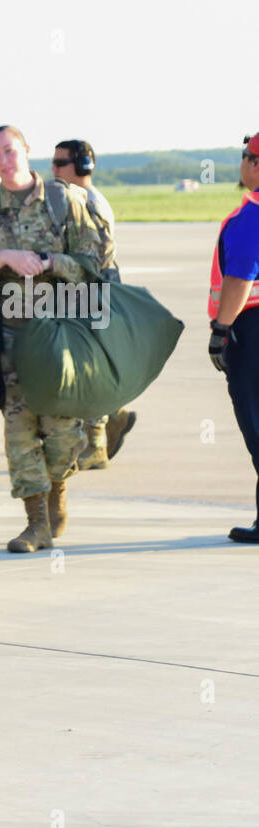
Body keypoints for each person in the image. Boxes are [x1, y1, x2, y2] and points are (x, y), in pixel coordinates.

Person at [0, 125, 104, 553]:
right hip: (6, 341)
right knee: (19, 434)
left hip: (59, 338)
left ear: (26, 150)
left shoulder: (64, 202)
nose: (4, 160)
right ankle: (35, 522)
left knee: (61, 432)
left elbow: (94, 263)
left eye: (10, 150)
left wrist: (51, 261)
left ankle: (58, 489)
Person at [52, 138, 135, 469]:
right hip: (91, 289)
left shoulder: (84, 201)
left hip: (92, 291)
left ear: (82, 166)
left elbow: (89, 257)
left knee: (88, 366)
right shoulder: (84, 198)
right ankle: (114, 416)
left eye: (60, 164)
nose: (53, 169)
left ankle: (96, 445)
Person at [207, 133, 259, 543]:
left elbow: (241, 276)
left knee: (256, 426)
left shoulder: (249, 218)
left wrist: (221, 331)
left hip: (251, 332)